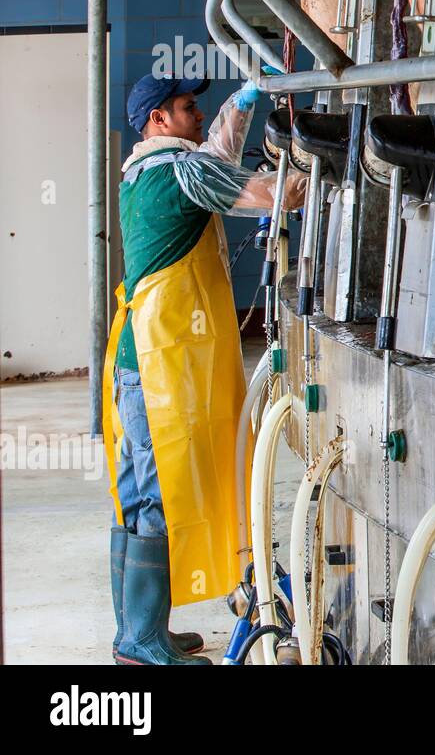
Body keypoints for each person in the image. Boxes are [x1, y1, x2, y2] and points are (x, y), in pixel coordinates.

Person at [104, 70, 306, 665]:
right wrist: (320, 171)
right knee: (155, 499)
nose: (200, 113)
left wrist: (245, 103)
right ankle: (139, 638)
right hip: (153, 364)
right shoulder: (178, 174)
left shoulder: (150, 170)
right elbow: (261, 192)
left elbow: (214, 155)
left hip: (137, 360)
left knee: (138, 494)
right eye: (189, 107)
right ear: (158, 120)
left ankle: (138, 632)